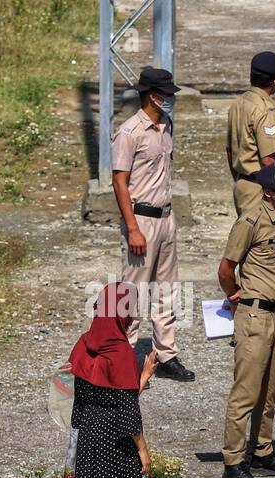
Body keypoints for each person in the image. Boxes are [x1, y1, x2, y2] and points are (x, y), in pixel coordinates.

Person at [68, 283, 157, 478]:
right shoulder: (120, 351)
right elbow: (127, 412)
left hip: (89, 433)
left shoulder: (84, 344)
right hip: (115, 438)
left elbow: (79, 403)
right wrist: (142, 450)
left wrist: (140, 379)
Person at [218, 160, 275, 478]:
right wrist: (235, 295)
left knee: (270, 391)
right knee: (246, 392)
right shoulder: (249, 221)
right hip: (254, 316)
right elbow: (226, 268)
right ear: (267, 192)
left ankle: (263, 449)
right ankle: (234, 462)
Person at [111, 66, 194, 383]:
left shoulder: (166, 125)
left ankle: (166, 354)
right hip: (141, 220)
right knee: (133, 292)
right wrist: (132, 228)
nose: (170, 100)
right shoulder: (129, 132)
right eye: (166, 95)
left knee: (167, 290)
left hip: (166, 218)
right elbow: (119, 181)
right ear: (151, 95)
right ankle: (122, 356)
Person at [228, 51, 275, 218]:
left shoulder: (239, 102)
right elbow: (269, 160)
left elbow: (230, 150)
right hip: (263, 192)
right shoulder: (265, 110)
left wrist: (241, 180)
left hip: (243, 186)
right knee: (267, 243)